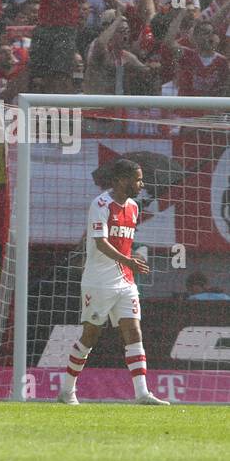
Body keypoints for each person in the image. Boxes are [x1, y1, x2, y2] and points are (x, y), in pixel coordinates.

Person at [60, 159, 168, 405]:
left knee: (134, 331)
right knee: (90, 335)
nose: (142, 184)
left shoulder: (133, 207)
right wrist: (128, 260)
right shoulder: (100, 204)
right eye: (138, 180)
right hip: (99, 281)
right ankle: (67, 390)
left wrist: (132, 259)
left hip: (125, 281)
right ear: (121, 180)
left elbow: (123, 243)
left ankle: (142, 393)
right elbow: (101, 243)